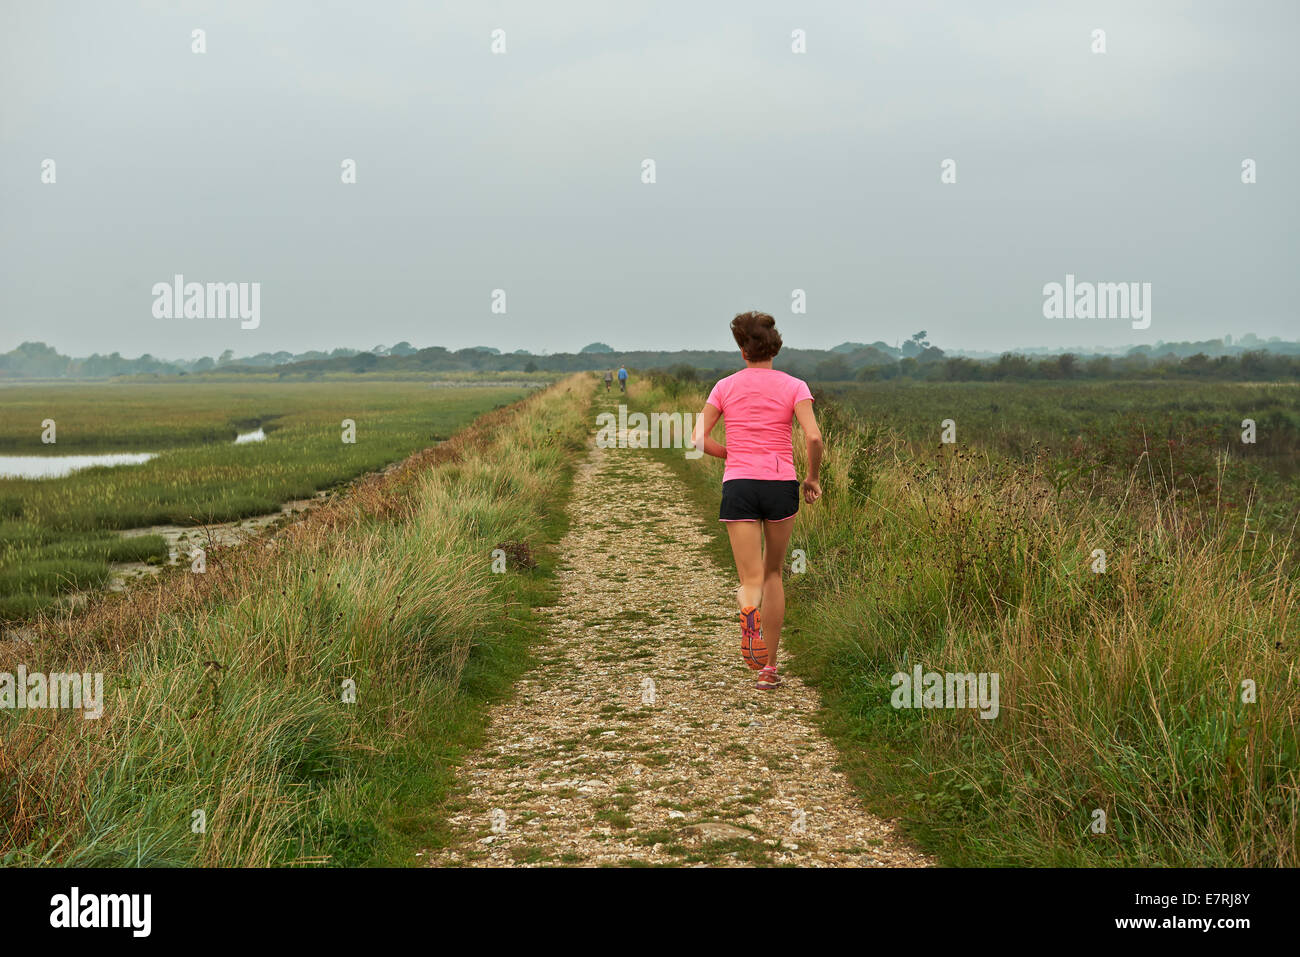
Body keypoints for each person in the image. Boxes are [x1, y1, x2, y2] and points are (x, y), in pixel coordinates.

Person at [691, 312, 822, 691]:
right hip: (780, 484)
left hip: (740, 484)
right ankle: (770, 669)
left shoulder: (724, 386)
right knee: (773, 574)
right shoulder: (795, 386)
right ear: (774, 347)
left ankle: (748, 610)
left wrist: (729, 454)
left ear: (742, 349)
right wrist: (811, 478)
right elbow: (813, 438)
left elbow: (698, 438)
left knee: (750, 579)